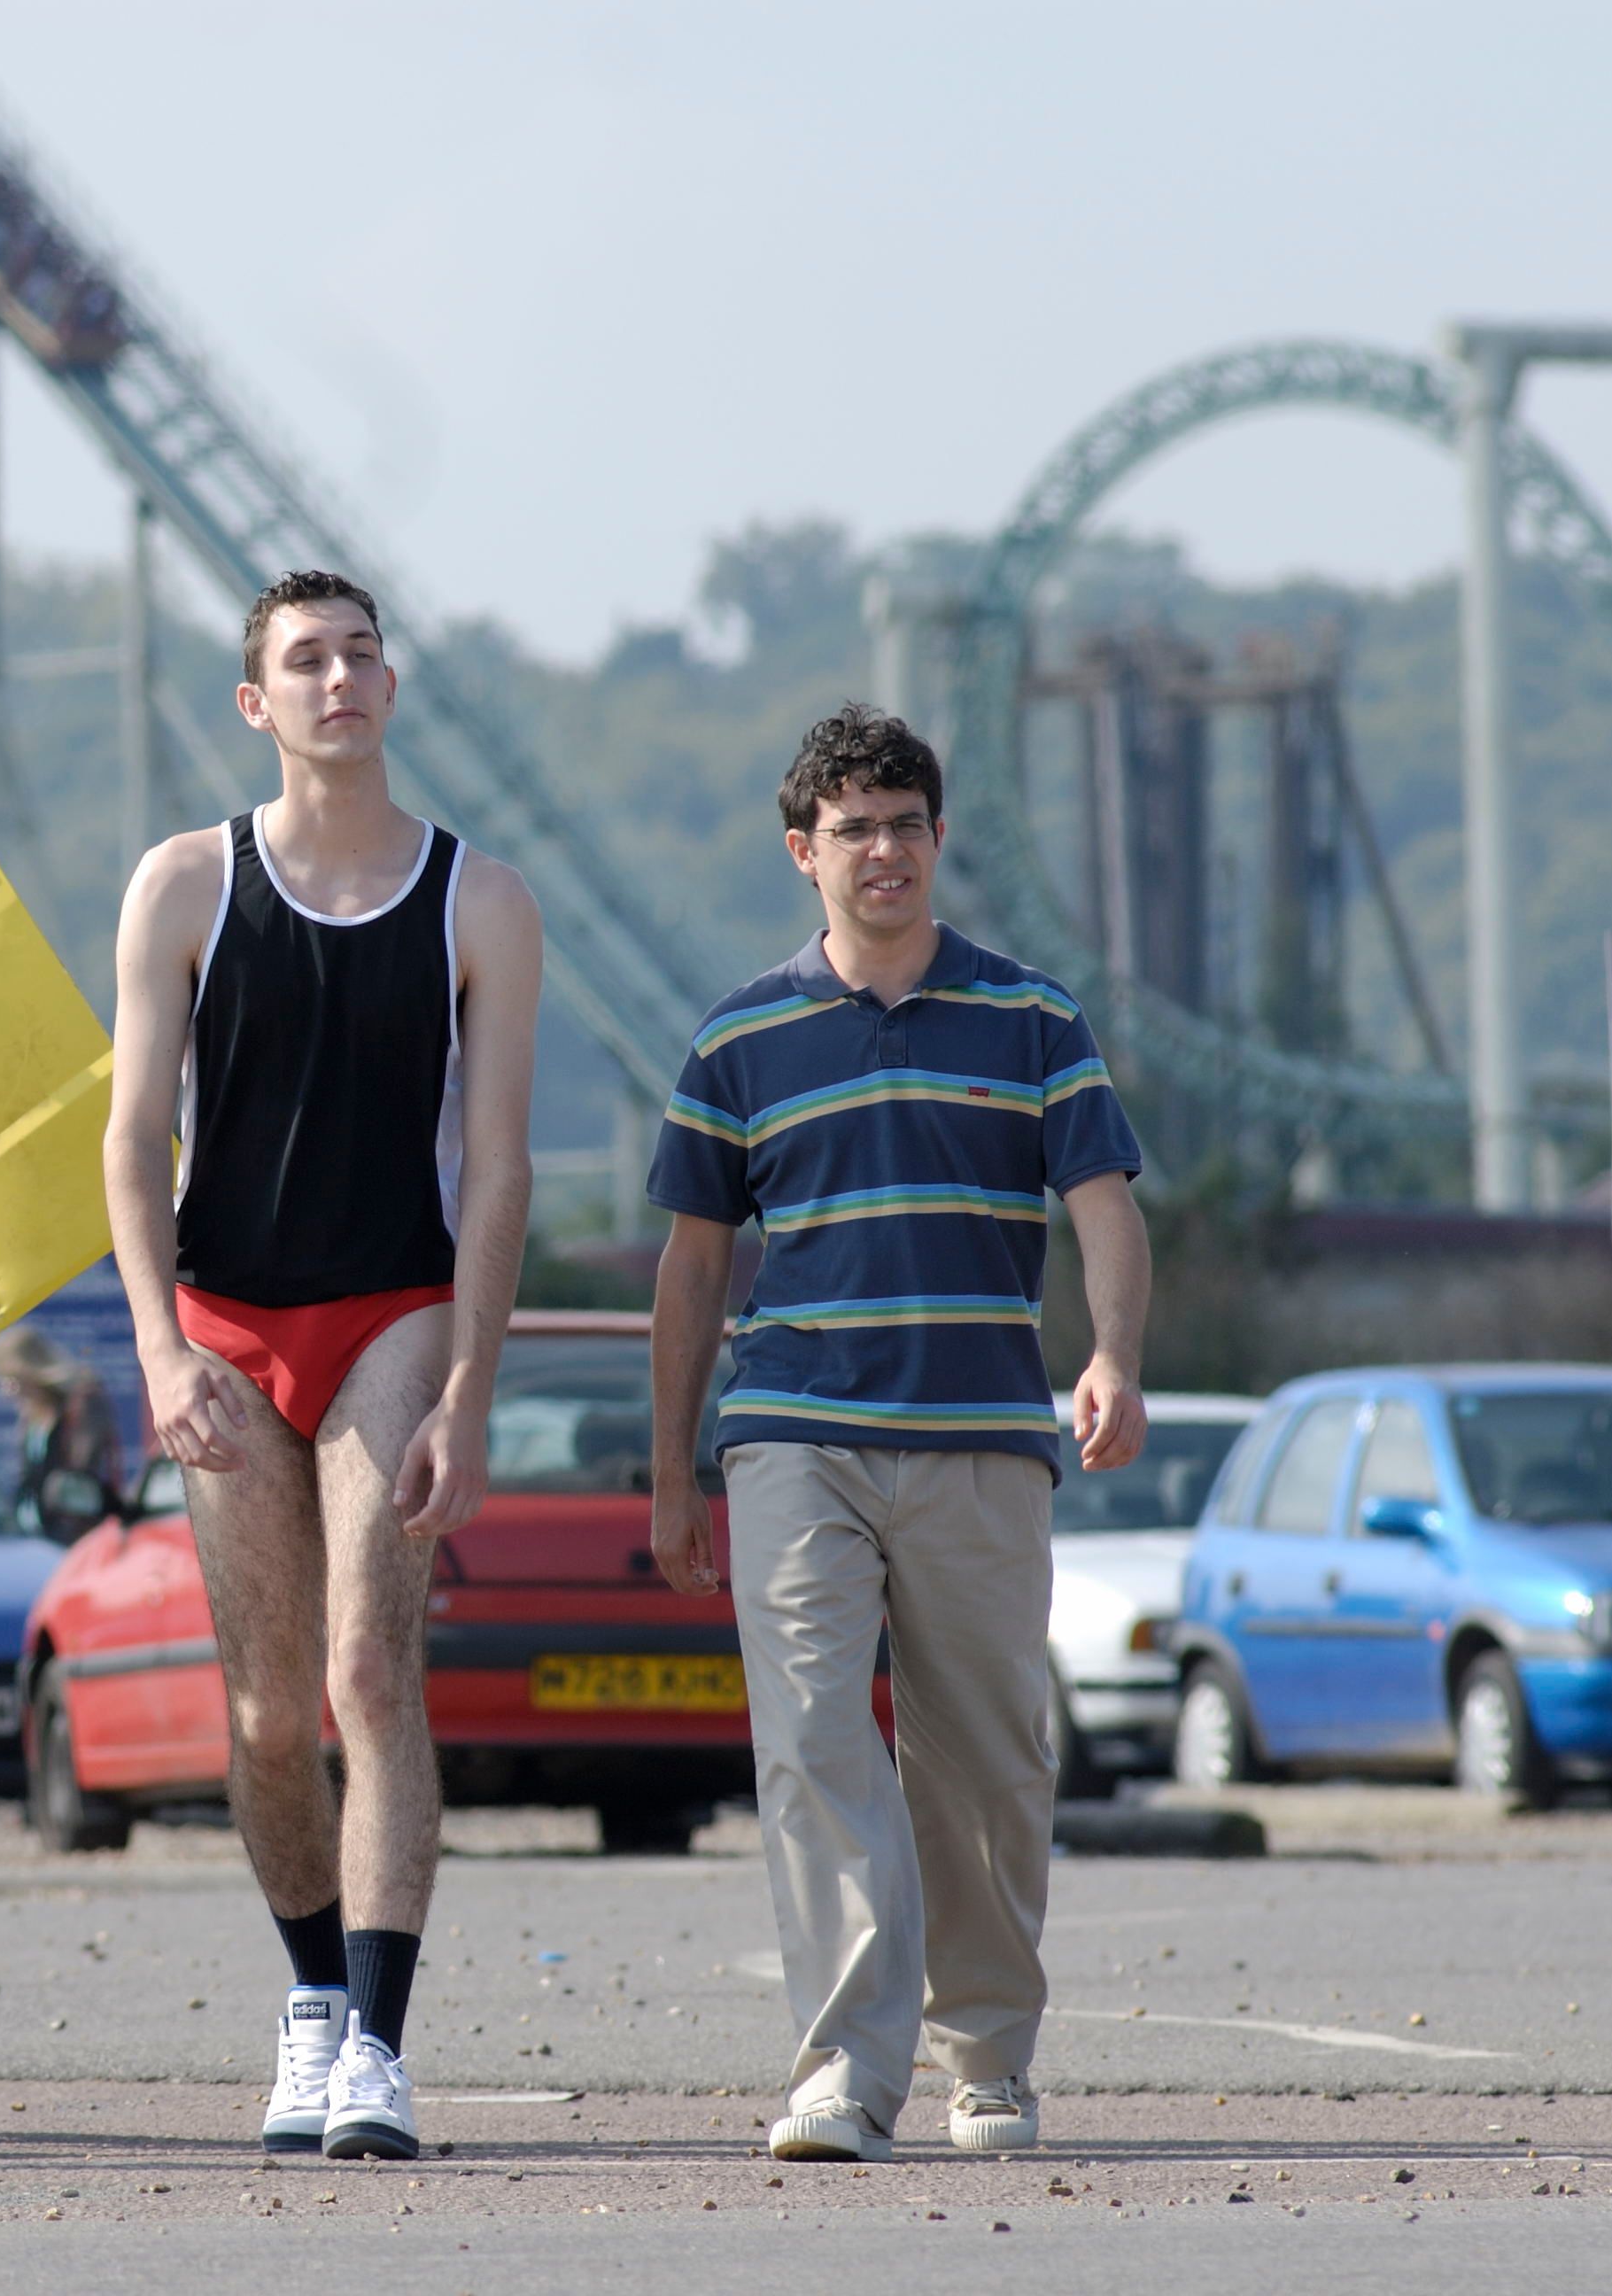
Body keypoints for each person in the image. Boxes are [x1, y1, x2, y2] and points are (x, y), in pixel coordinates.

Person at [644, 701, 1151, 2165]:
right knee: (809, 1745)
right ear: (802, 851)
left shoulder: (1031, 1018)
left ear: (940, 839)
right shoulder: (738, 1036)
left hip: (983, 1430)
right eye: (853, 828)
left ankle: (985, 2060)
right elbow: (688, 1271)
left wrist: (1111, 1353)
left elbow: (1105, 1206)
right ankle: (843, 2078)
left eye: (906, 824)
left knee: (986, 1759)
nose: (884, 850)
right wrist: (675, 1466)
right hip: (793, 1427)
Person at [102, 570, 539, 2161]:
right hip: (223, 1324)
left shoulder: (479, 900)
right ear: (256, 702)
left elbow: (496, 1170)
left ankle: (378, 2044)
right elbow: (132, 1139)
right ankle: (307, 2003)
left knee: (370, 1668)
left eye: (360, 652)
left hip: (394, 1312)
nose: (338, 677)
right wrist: (155, 1344)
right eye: (305, 659)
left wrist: (471, 1384)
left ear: (390, 683)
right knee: (271, 1707)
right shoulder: (183, 884)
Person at [0, 1324, 121, 1544]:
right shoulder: (30, 1417)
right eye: (2, 1382)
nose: (8, 1390)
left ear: (32, 1369)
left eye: (13, 1379)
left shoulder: (81, 1403)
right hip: (35, 1535)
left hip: (74, 1533)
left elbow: (82, 1468)